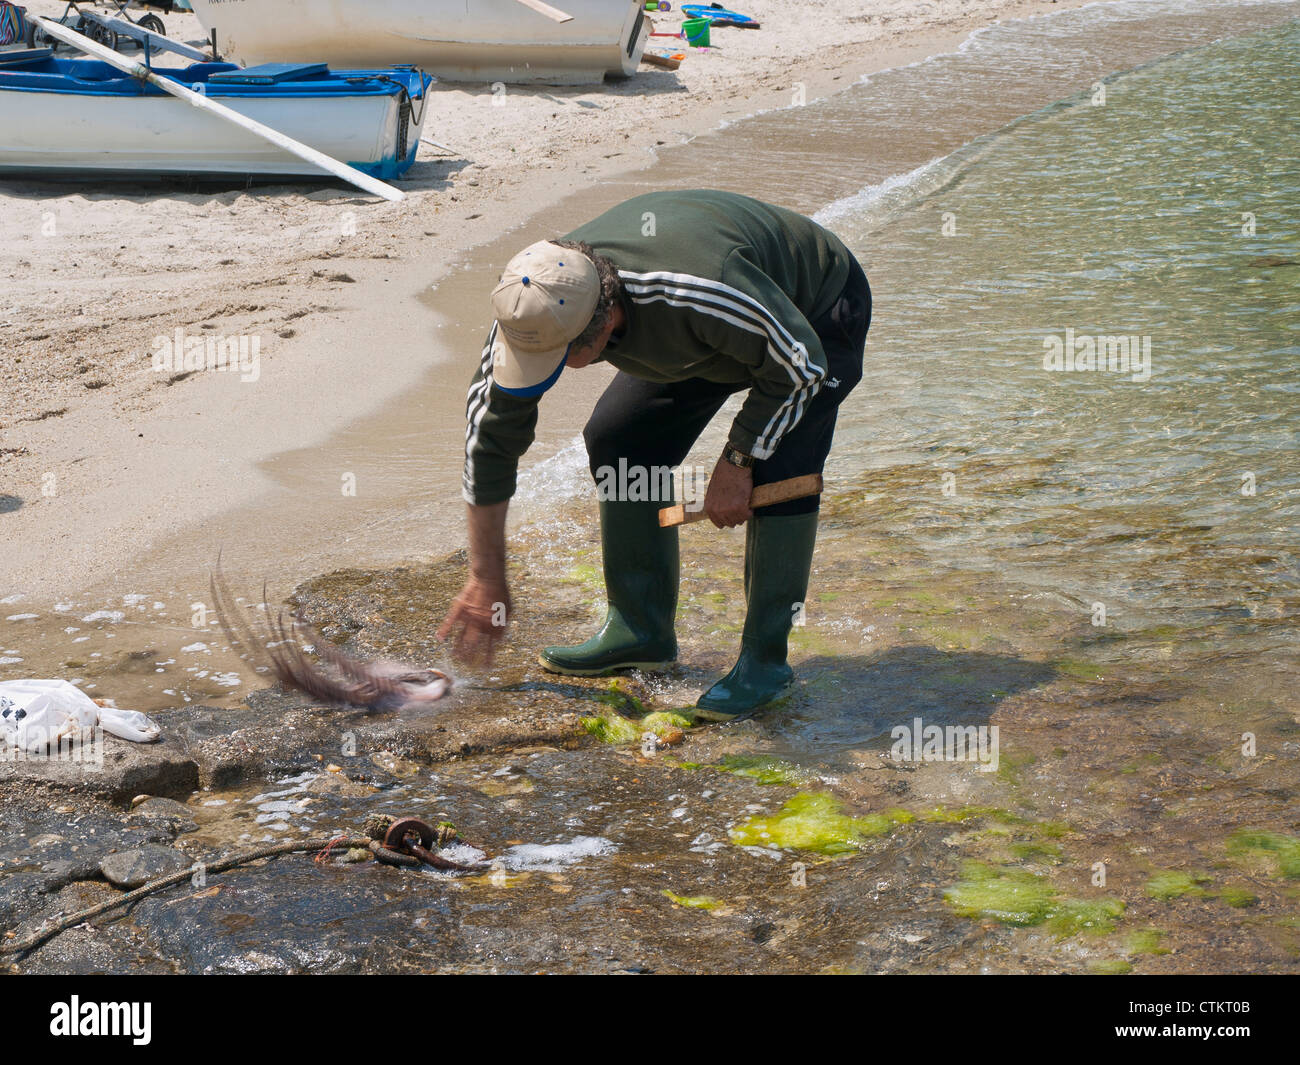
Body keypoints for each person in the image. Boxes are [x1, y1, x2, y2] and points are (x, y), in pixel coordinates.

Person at [437, 189, 871, 720]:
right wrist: (485, 576)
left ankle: (765, 662)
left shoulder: (697, 290)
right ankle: (641, 630)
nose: (543, 369)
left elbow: (801, 368)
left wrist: (738, 459)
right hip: (715, 337)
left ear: (606, 323)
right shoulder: (532, 305)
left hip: (815, 315)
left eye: (558, 359)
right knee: (623, 443)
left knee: (778, 470)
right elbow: (489, 443)